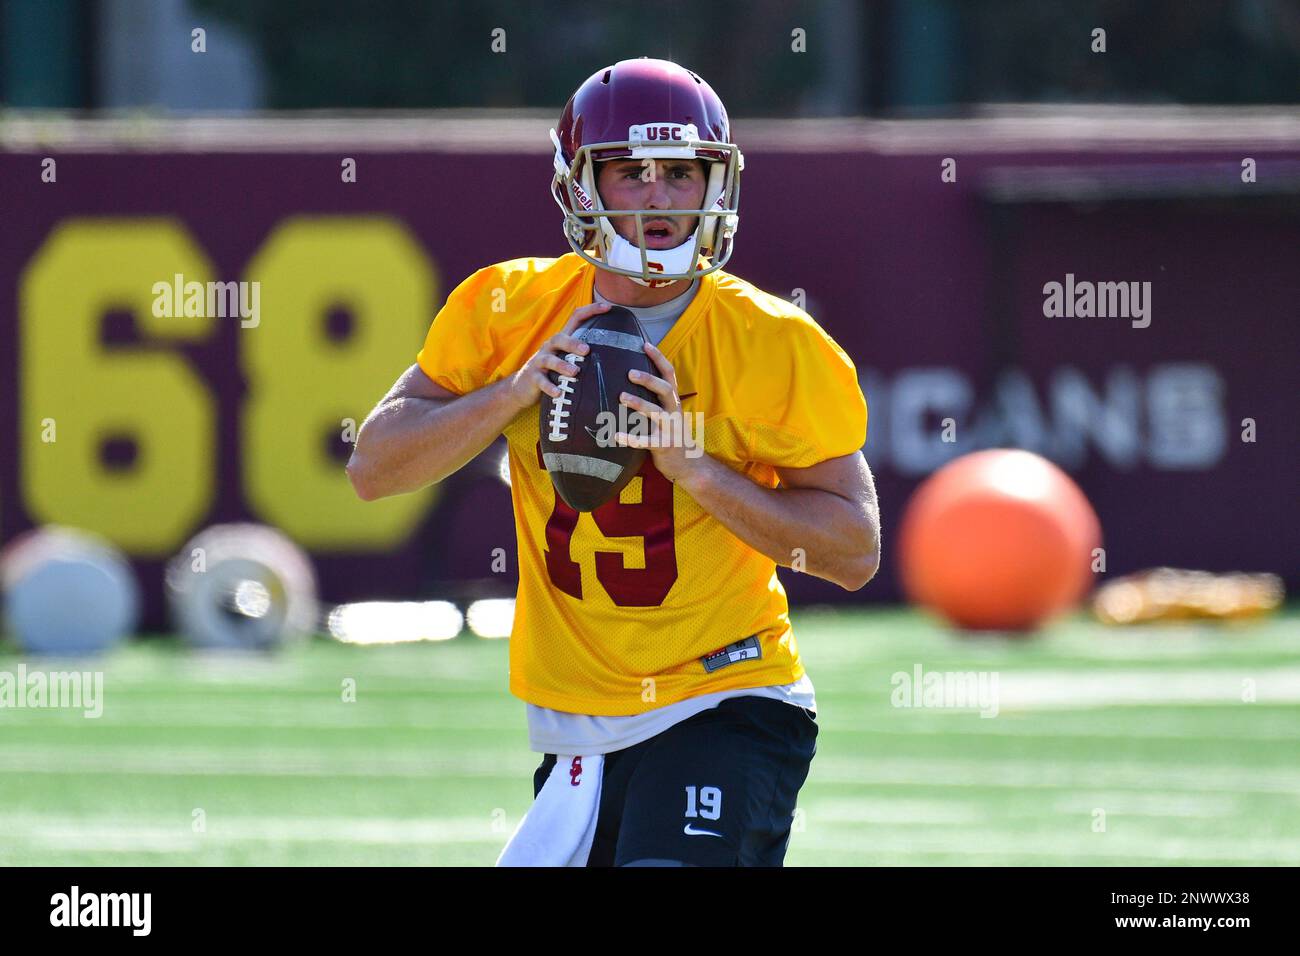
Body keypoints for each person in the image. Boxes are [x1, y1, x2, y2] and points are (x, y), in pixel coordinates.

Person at [347, 57, 880, 866]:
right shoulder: (509, 309)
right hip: (577, 725)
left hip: (725, 696)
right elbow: (374, 468)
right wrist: (509, 396)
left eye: (682, 173)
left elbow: (853, 553)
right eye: (631, 172)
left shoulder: (774, 343)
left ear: (718, 185)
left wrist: (700, 472)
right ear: (578, 185)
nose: (660, 197)